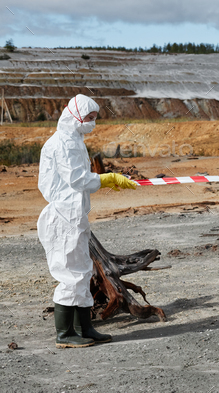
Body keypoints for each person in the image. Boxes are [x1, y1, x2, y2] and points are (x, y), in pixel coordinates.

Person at [37, 94, 137, 348]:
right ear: (76, 116)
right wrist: (106, 179)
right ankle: (65, 334)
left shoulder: (74, 140)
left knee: (82, 271)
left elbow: (80, 182)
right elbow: (77, 179)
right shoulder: (63, 143)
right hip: (62, 218)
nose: (92, 123)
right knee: (70, 273)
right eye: (89, 118)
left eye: (95, 118)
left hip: (74, 215)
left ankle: (85, 327)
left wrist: (104, 181)